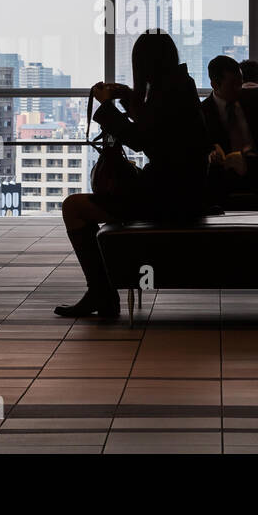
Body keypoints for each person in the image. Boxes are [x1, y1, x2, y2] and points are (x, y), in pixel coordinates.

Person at [54, 30, 210, 319]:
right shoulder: (178, 85)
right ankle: (100, 292)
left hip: (166, 198)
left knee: (73, 208)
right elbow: (154, 129)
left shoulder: (169, 90)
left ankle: (100, 292)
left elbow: (141, 139)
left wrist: (106, 106)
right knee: (86, 204)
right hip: (182, 192)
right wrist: (127, 98)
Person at [200, 55, 258, 208]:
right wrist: (211, 154)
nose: (238, 89)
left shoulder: (254, 98)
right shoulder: (203, 112)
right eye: (233, 85)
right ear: (215, 84)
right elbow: (202, 147)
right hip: (224, 174)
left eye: (240, 83)